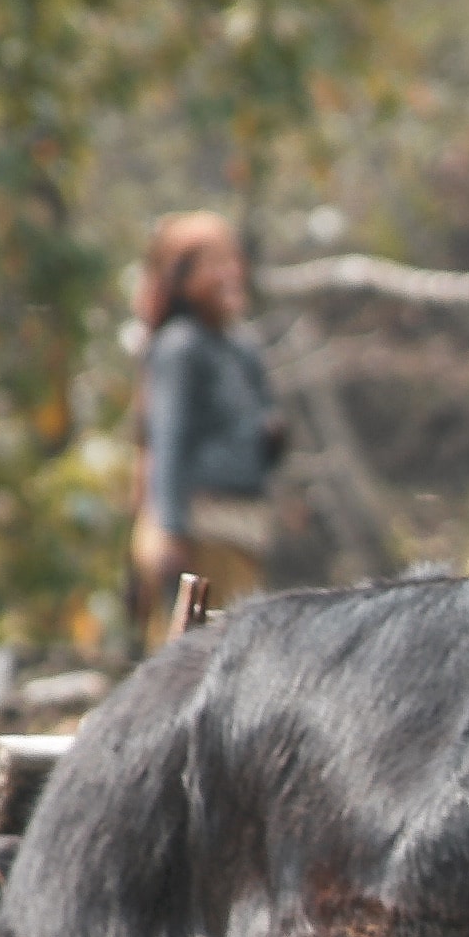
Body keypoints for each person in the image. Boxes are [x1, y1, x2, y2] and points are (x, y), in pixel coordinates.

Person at [129, 211, 282, 639]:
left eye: (232, 261)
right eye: (214, 264)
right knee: (194, 655)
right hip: (202, 527)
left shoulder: (239, 348)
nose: (230, 274)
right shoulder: (181, 347)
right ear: (182, 279)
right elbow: (168, 439)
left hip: (242, 525)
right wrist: (172, 531)